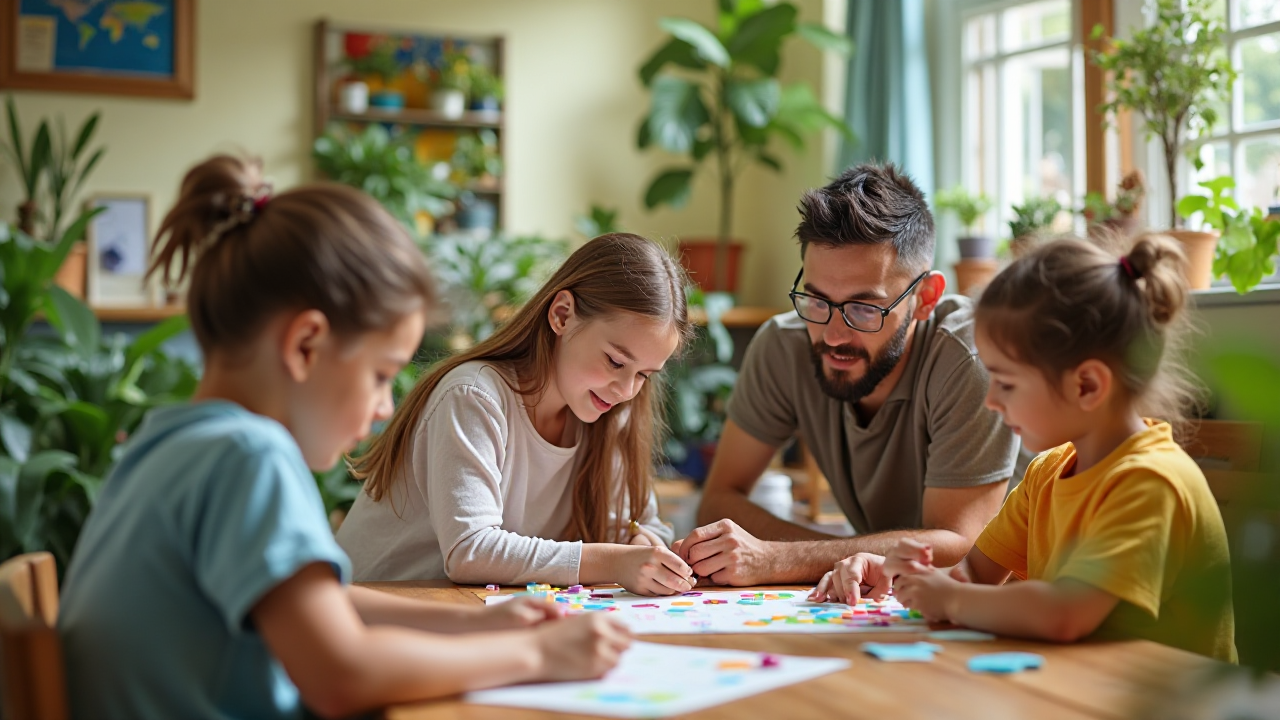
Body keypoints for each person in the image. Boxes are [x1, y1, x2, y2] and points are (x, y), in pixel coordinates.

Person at [57, 155, 633, 720]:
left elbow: (324, 606)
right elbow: (341, 675)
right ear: (306, 345)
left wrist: (477, 621)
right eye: (380, 375)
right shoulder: (249, 458)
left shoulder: (173, 441)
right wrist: (534, 653)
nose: (385, 408)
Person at [814, 235, 1235, 663]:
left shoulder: (1149, 482)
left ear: (1087, 385)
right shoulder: (1047, 472)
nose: (992, 400)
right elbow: (973, 575)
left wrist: (950, 599)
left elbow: (1065, 612)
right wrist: (899, 573)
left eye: (1007, 382)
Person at [676, 164, 1020, 585]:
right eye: (817, 301)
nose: (834, 335)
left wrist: (781, 559)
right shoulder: (784, 345)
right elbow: (718, 501)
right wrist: (816, 556)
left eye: (864, 308)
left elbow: (961, 551)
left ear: (926, 299)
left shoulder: (971, 356)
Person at [338, 233, 696, 596]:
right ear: (562, 316)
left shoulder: (607, 412)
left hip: (462, 622)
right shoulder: (474, 396)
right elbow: (470, 551)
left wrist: (641, 545)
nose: (626, 390)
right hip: (367, 622)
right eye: (616, 361)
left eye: (644, 375)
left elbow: (644, 524)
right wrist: (613, 561)